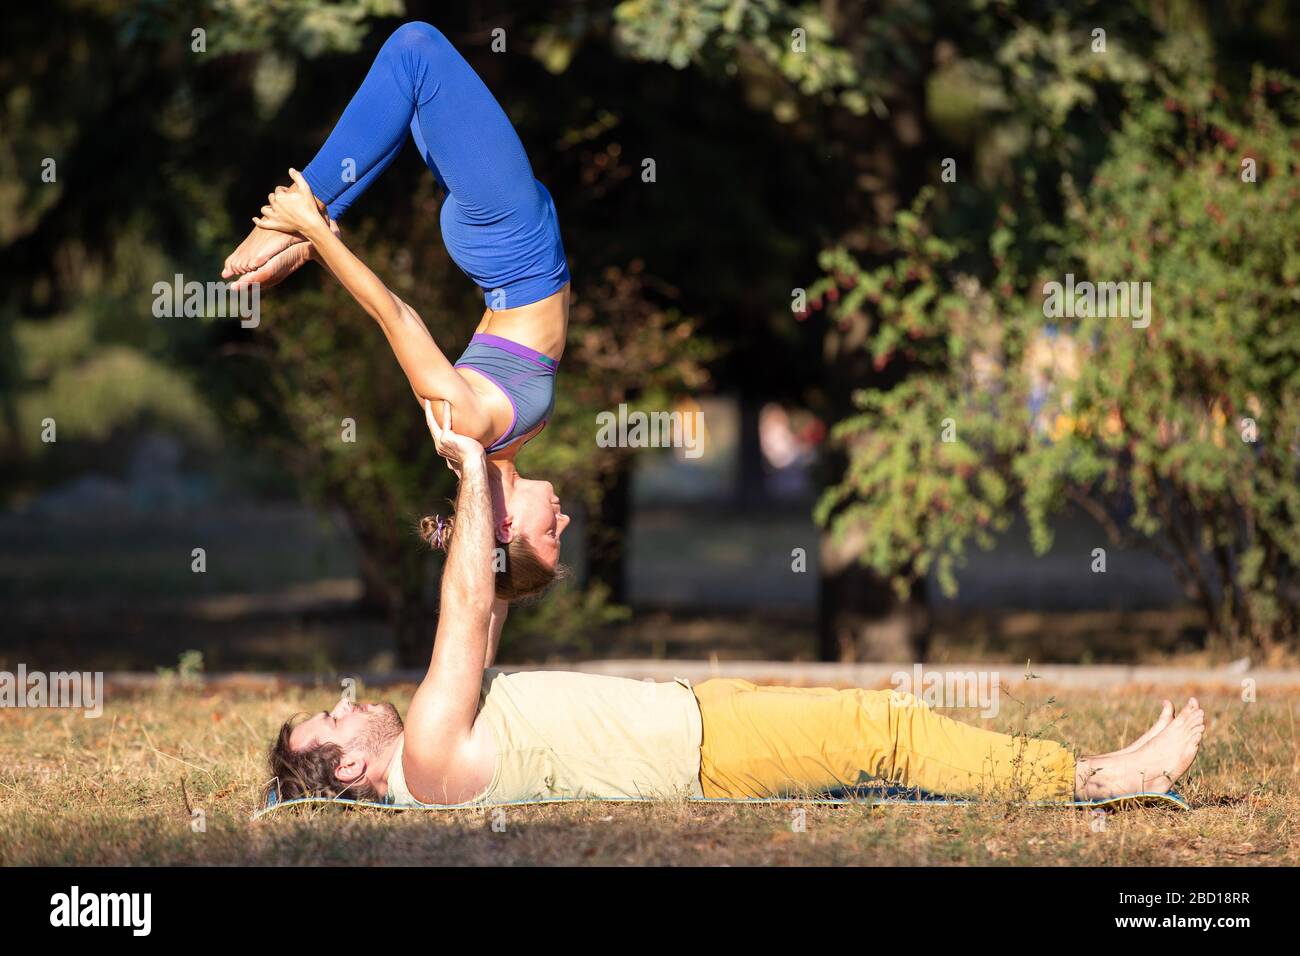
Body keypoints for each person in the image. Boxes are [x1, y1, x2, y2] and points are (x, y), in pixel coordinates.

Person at [267, 402, 1205, 807]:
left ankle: (1097, 765)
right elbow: (467, 604)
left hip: (700, 716)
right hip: (705, 754)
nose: (349, 702)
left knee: (885, 724)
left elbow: (494, 591)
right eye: (333, 720)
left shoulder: (436, 738)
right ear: (348, 770)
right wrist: (470, 465)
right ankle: (1095, 784)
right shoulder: (425, 759)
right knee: (889, 731)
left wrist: (491, 485)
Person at [224, 21, 572, 600]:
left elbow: (396, 317)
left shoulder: (465, 427)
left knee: (416, 50)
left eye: (552, 535)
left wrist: (313, 226)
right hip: (524, 237)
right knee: (411, 85)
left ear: (506, 527)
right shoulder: (491, 448)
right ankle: (301, 238)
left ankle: (293, 217)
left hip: (510, 237)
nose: (562, 521)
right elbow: (492, 597)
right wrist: (318, 248)